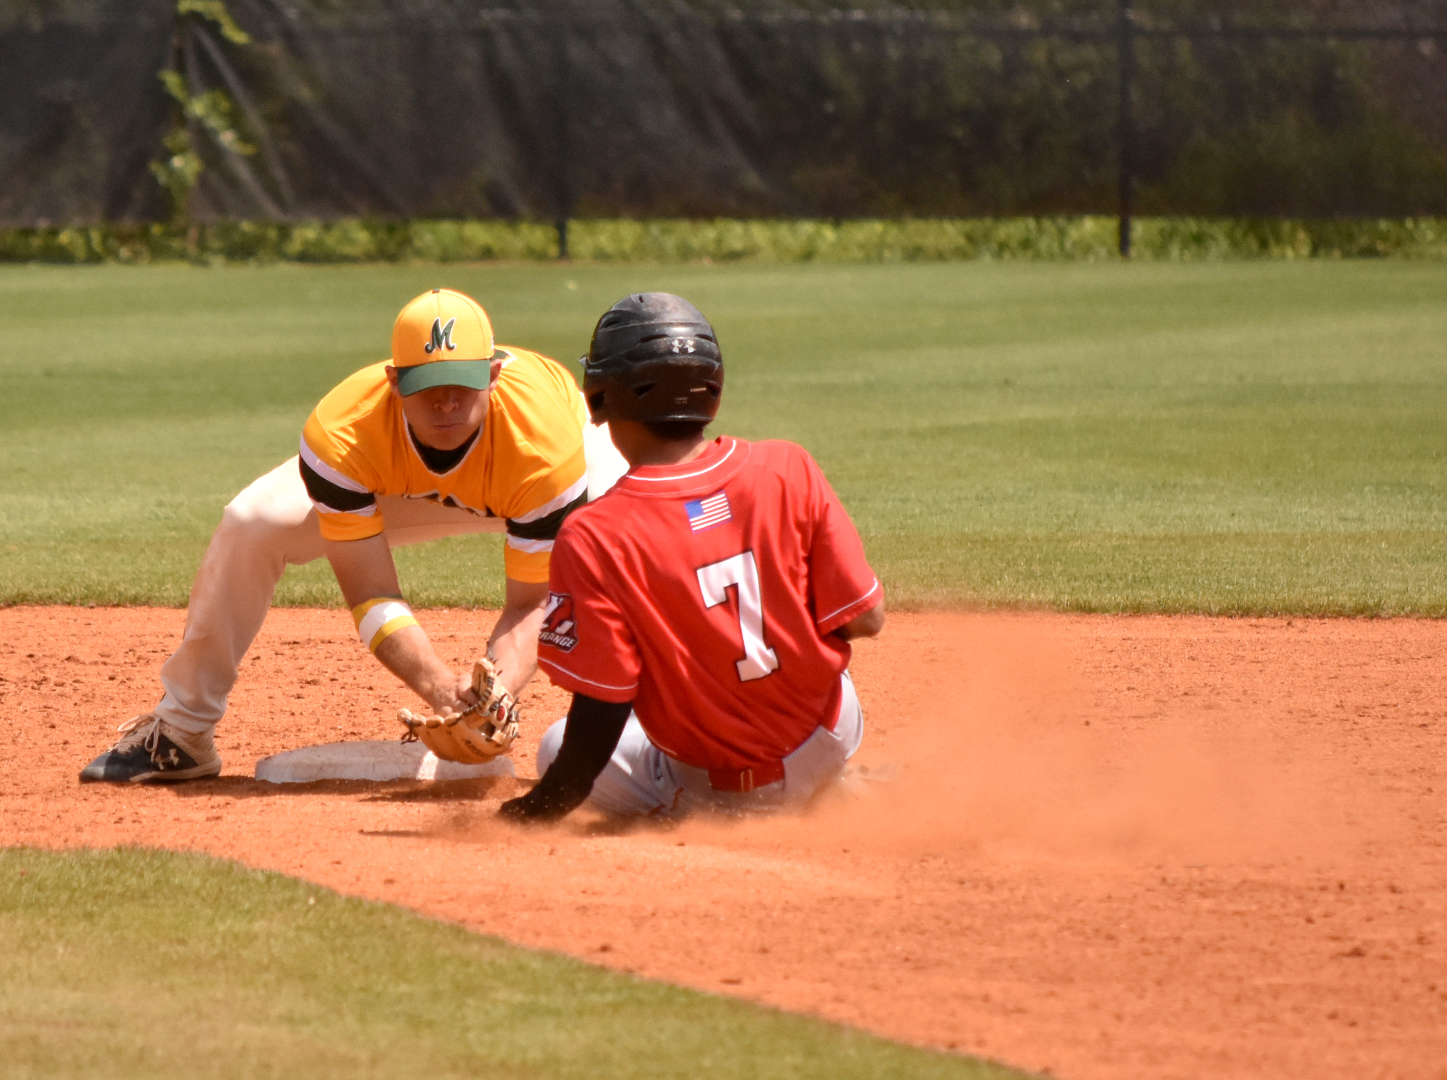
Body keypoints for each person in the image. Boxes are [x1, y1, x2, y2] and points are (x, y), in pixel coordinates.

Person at [82, 288, 628, 783]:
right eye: (426, 386)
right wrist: (441, 689)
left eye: (461, 384)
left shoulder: (545, 447)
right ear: (393, 382)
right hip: (399, 479)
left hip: (538, 470)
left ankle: (642, 741)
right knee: (254, 522)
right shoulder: (344, 434)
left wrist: (496, 695)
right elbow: (372, 593)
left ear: (492, 374)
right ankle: (181, 732)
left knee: (624, 532)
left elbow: (533, 605)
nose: (445, 403)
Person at [499, 293, 884, 822]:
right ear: (712, 387)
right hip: (828, 733)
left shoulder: (595, 534)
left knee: (555, 744)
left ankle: (731, 805)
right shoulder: (787, 466)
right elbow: (865, 617)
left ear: (600, 397)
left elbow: (601, 711)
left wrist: (537, 810)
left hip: (724, 787)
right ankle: (828, 782)